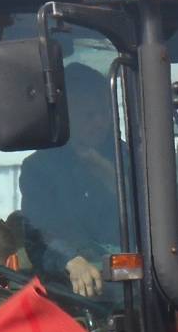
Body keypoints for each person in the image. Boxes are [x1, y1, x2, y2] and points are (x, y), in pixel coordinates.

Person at [20, 61, 123, 298]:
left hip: (135, 280)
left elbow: (160, 213)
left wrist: (112, 180)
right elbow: (43, 230)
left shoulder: (130, 158)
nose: (100, 122)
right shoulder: (40, 169)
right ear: (66, 116)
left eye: (105, 113)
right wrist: (73, 260)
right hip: (78, 292)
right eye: (89, 115)